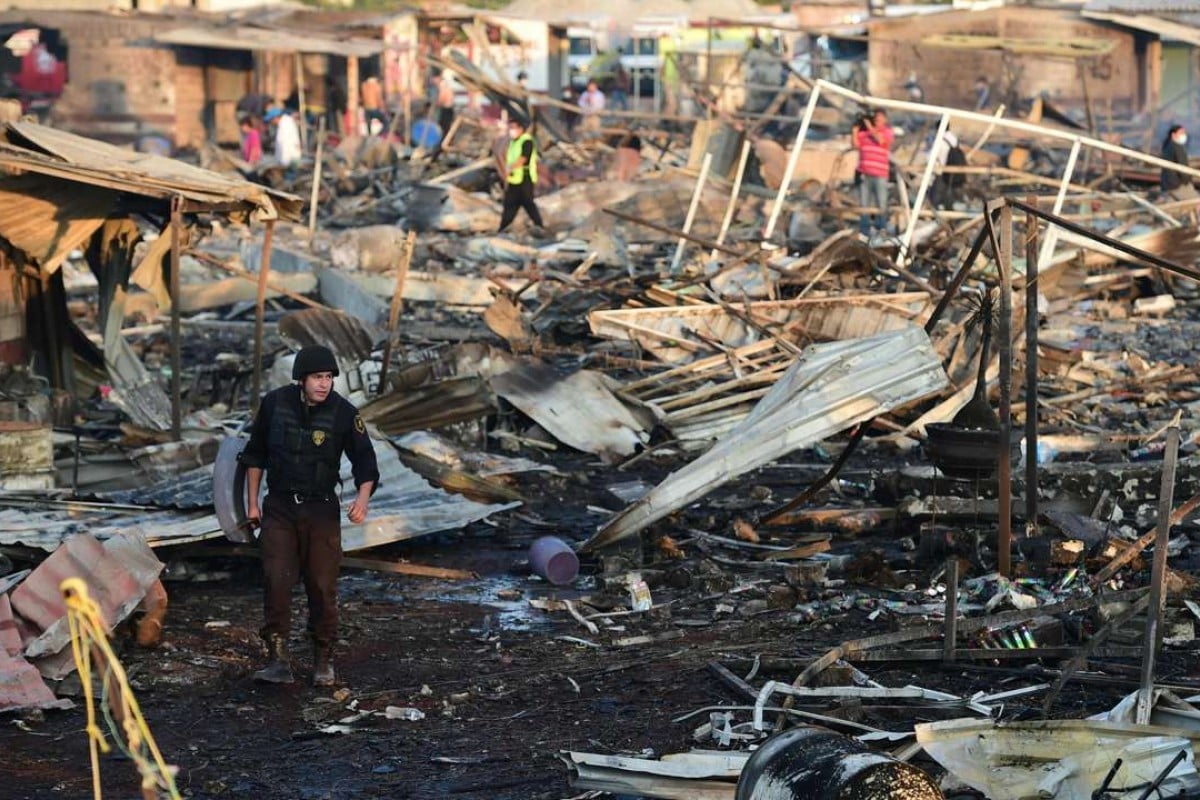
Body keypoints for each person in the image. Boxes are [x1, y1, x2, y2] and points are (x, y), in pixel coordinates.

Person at [240, 345, 379, 687]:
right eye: (317, 377)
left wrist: (362, 500)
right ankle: (278, 659)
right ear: (301, 379)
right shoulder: (275, 404)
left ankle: (323, 659)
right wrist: (253, 505)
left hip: (321, 510)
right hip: (281, 507)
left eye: (329, 377)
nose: (324, 384)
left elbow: (366, 463)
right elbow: (254, 455)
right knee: (276, 578)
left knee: (321, 584)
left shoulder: (345, 414)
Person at [498, 117, 545, 234]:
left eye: (513, 128)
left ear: (521, 129)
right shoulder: (513, 142)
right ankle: (503, 227)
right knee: (510, 204)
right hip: (514, 178)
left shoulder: (527, 141)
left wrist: (510, 168)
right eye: (510, 128)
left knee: (528, 202)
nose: (511, 131)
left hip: (525, 177)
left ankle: (539, 224)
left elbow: (523, 158)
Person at [853, 108, 894, 235]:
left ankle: (881, 228)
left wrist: (869, 126)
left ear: (885, 120)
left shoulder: (887, 132)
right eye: (876, 119)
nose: (878, 121)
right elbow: (855, 145)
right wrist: (854, 131)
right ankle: (864, 230)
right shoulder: (864, 133)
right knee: (864, 204)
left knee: (881, 202)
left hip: (880, 174)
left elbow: (880, 140)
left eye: (880, 119)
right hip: (865, 173)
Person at [929, 128, 966, 210]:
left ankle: (933, 211)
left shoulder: (939, 141)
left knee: (935, 195)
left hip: (942, 170)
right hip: (954, 170)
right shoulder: (953, 138)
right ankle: (949, 210)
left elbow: (932, 156)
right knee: (949, 193)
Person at [1161, 124, 1194, 199]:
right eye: (1181, 133)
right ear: (1173, 134)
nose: (1184, 135)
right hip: (1177, 185)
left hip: (1167, 184)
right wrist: (1187, 181)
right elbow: (1183, 168)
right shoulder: (1177, 147)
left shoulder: (1167, 146)